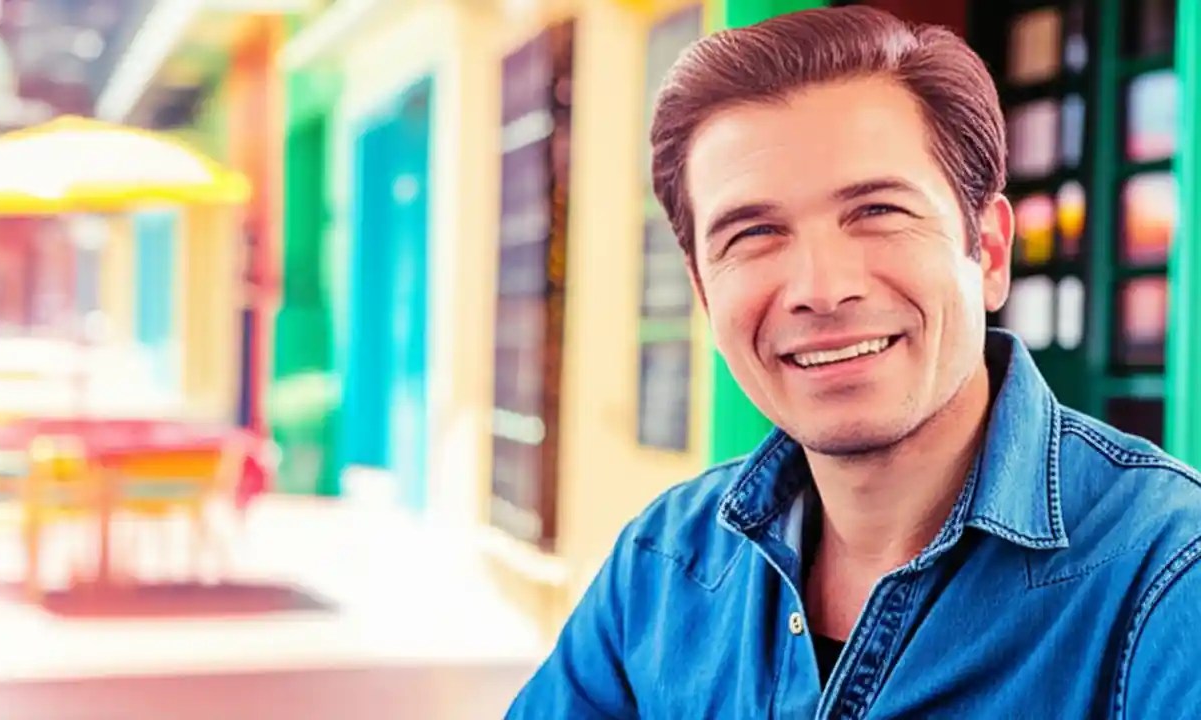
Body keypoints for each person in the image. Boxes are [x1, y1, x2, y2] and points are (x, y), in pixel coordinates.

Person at [507, 6, 1201, 718]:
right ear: (703, 291)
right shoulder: (663, 569)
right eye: (754, 233)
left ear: (989, 252)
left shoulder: (1167, 572)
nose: (820, 288)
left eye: (877, 212)